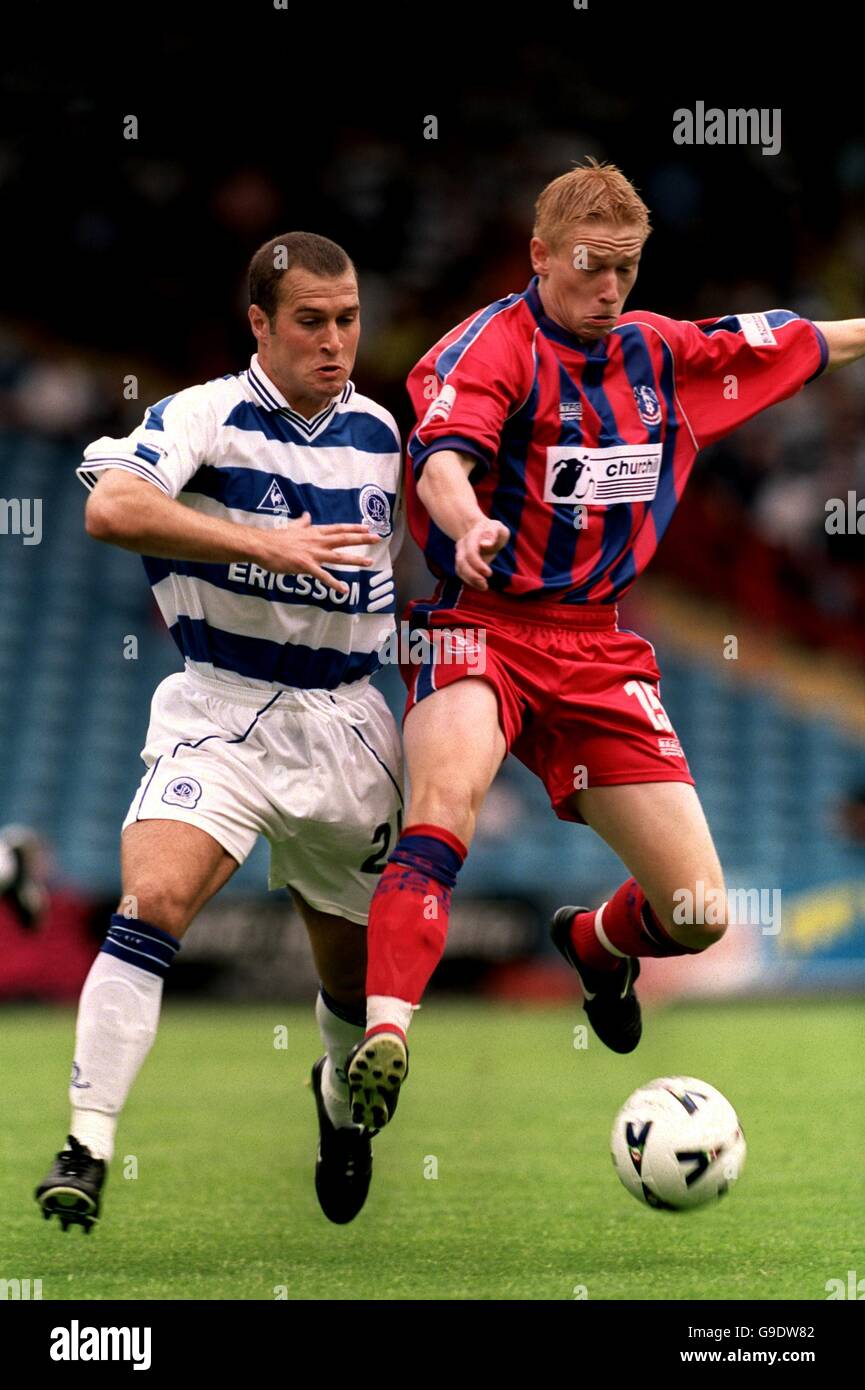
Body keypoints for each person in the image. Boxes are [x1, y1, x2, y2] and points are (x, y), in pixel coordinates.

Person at [345, 158, 865, 1132]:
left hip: (596, 646)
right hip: (480, 623)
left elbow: (805, 341)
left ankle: (593, 941)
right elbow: (443, 463)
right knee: (443, 804)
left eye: (624, 268)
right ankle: (388, 1035)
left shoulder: (662, 356)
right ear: (540, 256)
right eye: (590, 266)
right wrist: (464, 526)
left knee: (701, 912)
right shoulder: (487, 351)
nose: (609, 288)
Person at [35, 232, 405, 1229]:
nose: (334, 342)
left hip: (348, 725)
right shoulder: (202, 414)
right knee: (152, 898)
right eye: (310, 322)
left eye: (347, 319)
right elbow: (112, 507)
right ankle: (87, 1144)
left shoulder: (382, 435)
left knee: (354, 979)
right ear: (260, 324)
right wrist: (261, 542)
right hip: (221, 708)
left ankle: (335, 1095)